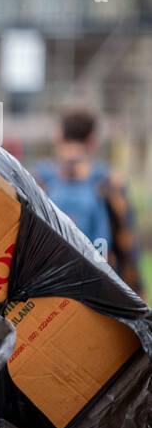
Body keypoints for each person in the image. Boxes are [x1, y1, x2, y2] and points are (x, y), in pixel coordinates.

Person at [34, 107, 144, 296]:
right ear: (93, 139)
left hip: (48, 292)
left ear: (59, 137)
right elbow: (127, 246)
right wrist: (138, 295)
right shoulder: (109, 182)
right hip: (99, 291)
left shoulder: (39, 181)